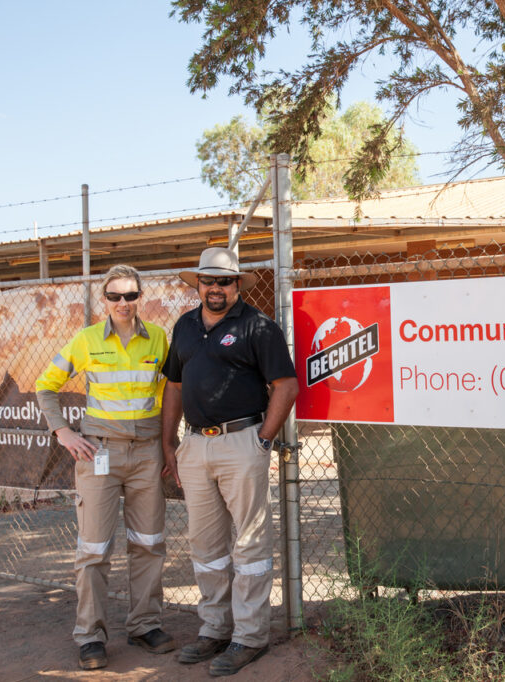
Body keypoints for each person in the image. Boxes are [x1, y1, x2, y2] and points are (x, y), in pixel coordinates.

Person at [161, 247, 298, 677]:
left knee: (250, 544)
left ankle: (250, 636)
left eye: (224, 281)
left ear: (237, 285)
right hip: (196, 446)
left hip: (242, 441)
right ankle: (214, 629)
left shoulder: (258, 327)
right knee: (206, 546)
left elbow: (286, 385)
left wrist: (262, 441)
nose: (215, 288)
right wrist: (169, 442)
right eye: (208, 281)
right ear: (197, 285)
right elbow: (174, 387)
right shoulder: (184, 326)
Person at [35, 264, 176, 670]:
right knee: (94, 547)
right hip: (99, 454)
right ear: (104, 299)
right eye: (115, 296)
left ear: (139, 298)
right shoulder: (86, 339)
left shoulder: (159, 339)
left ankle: (145, 624)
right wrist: (63, 432)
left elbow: (172, 394)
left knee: (149, 542)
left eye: (130, 295)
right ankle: (91, 636)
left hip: (147, 452)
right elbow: (47, 386)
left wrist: (169, 445)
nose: (123, 303)